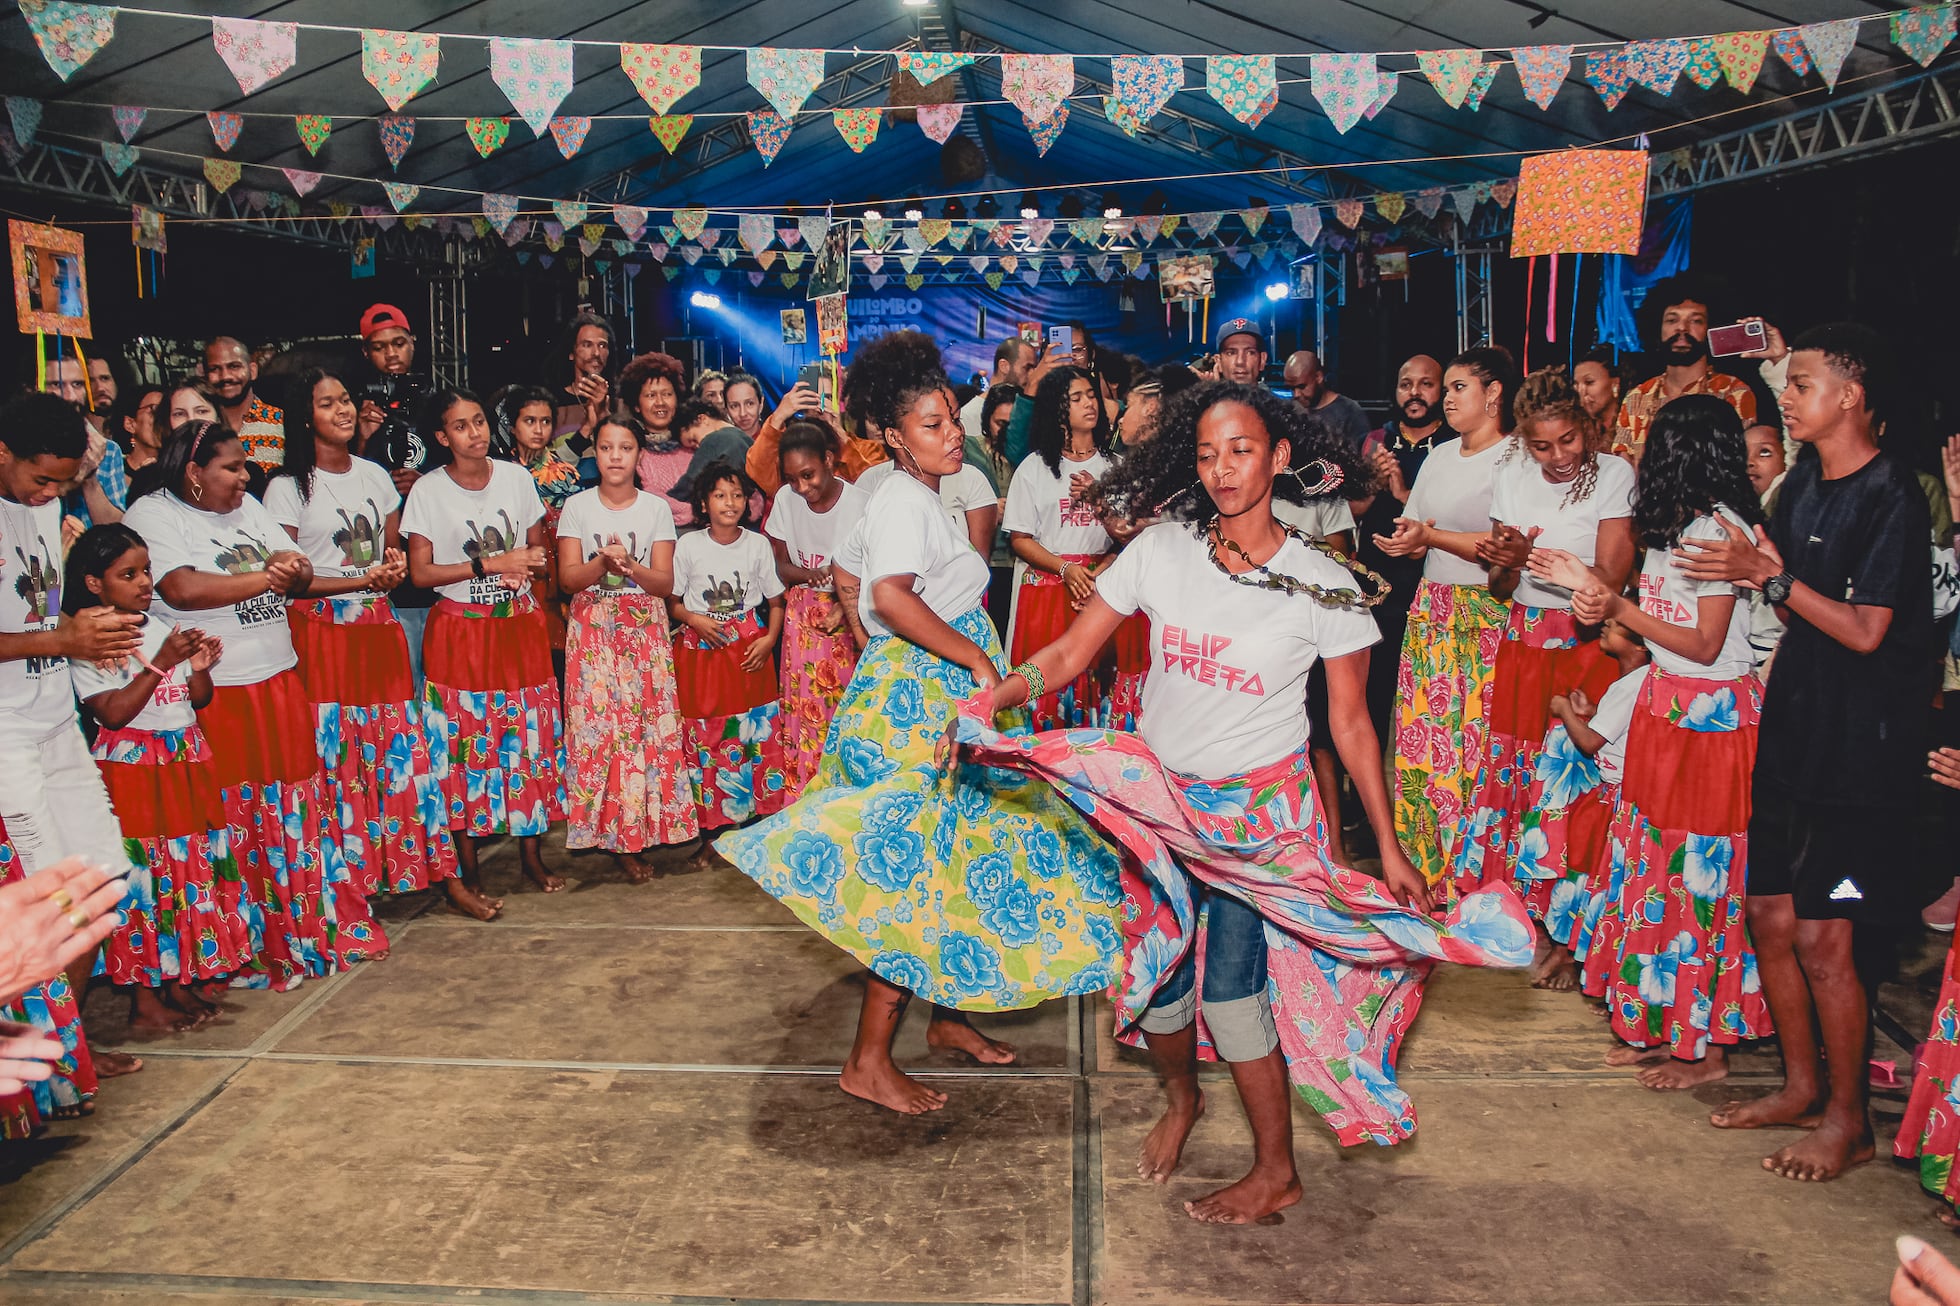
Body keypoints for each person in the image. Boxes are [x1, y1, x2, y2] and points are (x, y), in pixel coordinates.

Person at [959, 380, 1533, 1224]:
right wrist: (993, 699)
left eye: (1241, 450)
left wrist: (1391, 846)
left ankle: (1276, 1169)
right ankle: (1183, 1099)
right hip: (1163, 813)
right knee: (1158, 986)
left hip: (1260, 824)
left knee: (1231, 996)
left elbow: (1351, 728)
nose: (1223, 470)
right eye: (1206, 453)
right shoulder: (1159, 551)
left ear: (1280, 458)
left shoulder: (1323, 584)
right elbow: (1072, 652)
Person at [715, 329, 1125, 1116]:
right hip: (923, 701)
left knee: (955, 858)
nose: (951, 436)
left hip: (923, 688)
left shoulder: (910, 495)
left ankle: (947, 1019)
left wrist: (877, 635)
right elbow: (896, 595)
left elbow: (858, 576)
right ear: (894, 438)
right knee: (910, 872)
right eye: (931, 426)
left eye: (950, 421)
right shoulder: (904, 498)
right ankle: (868, 1060)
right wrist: (973, 663)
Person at [1676, 324, 1932, 1182]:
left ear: (1850, 395)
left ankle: (1848, 1122)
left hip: (1862, 756)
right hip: (1794, 732)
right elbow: (1793, 611)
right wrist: (1765, 574)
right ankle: (1797, 1085)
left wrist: (1769, 577)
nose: (1787, 395)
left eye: (1804, 382)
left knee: (1828, 939)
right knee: (1772, 919)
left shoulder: (1892, 494)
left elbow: (1865, 631)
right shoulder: (1798, 489)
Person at [1535, 395, 1773, 1086]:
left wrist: (1615, 605)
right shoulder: (1676, 528)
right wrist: (1597, 599)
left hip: (1711, 718)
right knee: (1652, 869)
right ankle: (1667, 1027)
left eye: (1658, 446)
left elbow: (1702, 645)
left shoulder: (1720, 532)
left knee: (1703, 878)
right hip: (1667, 708)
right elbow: (1659, 622)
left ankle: (1710, 1049)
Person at [124, 418, 387, 989]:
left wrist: (296, 572)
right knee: (232, 818)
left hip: (277, 679)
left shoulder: (249, 509)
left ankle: (302, 930)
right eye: (231, 467)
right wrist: (269, 578)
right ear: (194, 472)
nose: (245, 476)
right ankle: (245, 945)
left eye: (245, 465)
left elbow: (299, 570)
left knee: (291, 812)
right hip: (219, 691)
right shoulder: (154, 513)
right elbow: (181, 589)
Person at [264, 370, 494, 921]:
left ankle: (438, 877)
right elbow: (288, 580)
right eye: (327, 403)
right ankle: (348, 892)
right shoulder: (286, 486)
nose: (343, 410)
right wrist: (362, 581)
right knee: (337, 762)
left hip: (377, 627)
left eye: (345, 399)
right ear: (305, 416)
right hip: (319, 632)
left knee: (400, 758)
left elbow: (391, 555)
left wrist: (387, 572)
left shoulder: (374, 476)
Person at [1451, 367, 1635, 990]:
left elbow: (1610, 576)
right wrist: (1504, 563)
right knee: (1515, 775)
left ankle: (1574, 931)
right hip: (1525, 638)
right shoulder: (1512, 476)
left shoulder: (1614, 475)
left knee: (1575, 783)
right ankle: (1519, 912)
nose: (1557, 456)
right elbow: (1502, 586)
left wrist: (1556, 565)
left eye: (1568, 441)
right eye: (1541, 445)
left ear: (1587, 426)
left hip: (1585, 642)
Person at [0, 393, 145, 1080]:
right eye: (41, 478)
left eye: (62, 480)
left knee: (101, 882)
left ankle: (68, 1043)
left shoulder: (45, 507)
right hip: (6, 734)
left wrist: (88, 631)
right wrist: (62, 636)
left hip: (55, 717)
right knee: (42, 901)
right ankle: (36, 1068)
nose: (52, 492)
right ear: (4, 453)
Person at [64, 524, 252, 1031]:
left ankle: (179, 980)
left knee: (184, 872)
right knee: (146, 879)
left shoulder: (159, 623)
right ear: (95, 583)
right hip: (134, 769)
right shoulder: (91, 637)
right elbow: (114, 713)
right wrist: (161, 664)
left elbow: (197, 700)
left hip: (184, 757)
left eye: (146, 569)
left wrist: (198, 667)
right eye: (129, 574)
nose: (145, 581)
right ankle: (143, 1000)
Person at [402, 387, 568, 897]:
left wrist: (529, 566)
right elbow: (420, 573)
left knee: (528, 740)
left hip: (518, 623)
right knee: (462, 745)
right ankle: (468, 869)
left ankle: (531, 859)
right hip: (460, 630)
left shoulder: (517, 477)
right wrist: (490, 565)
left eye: (478, 421)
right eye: (460, 426)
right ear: (441, 436)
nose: (474, 433)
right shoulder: (428, 490)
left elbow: (538, 547)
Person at [1372, 348, 1519, 884]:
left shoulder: (1516, 458)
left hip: (1487, 613)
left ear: (1494, 394)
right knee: (1423, 743)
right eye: (1449, 388)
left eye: (1458, 387)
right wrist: (1408, 540)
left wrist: (1431, 536)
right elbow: (1420, 527)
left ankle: (1478, 873)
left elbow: (1506, 545)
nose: (1448, 398)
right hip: (1432, 607)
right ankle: (1426, 870)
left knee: (1477, 745)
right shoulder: (1439, 456)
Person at [556, 415, 694, 882]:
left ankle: (638, 831)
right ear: (595, 452)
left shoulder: (655, 508)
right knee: (599, 731)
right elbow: (567, 579)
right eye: (607, 447)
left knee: (642, 733)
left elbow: (664, 582)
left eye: (626, 447)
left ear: (640, 456)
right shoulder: (577, 506)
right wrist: (602, 562)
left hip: (643, 631)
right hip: (594, 631)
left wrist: (629, 565)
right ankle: (609, 833)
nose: (616, 456)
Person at [668, 461, 786, 829]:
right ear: (704, 503)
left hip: (748, 653)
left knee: (753, 733)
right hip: (702, 655)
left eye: (737, 495)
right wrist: (695, 619)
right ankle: (711, 832)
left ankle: (756, 823)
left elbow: (777, 602)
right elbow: (672, 603)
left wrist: (769, 641)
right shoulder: (688, 545)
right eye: (720, 495)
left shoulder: (757, 545)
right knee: (708, 735)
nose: (729, 503)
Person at [1004, 366, 1117, 730]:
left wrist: (1102, 570)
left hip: (1102, 589)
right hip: (1049, 593)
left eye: (1091, 396)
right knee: (1047, 691)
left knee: (1099, 692)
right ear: (1057, 409)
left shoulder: (1116, 467)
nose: (1089, 404)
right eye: (1077, 398)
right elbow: (1019, 539)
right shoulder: (1034, 469)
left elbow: (1131, 537)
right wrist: (1065, 568)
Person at [766, 423, 869, 800]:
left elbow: (876, 571)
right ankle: (804, 796)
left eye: (807, 475)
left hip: (850, 616)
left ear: (828, 460)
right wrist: (810, 575)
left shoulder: (860, 504)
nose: (801, 487)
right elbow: (778, 564)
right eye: (792, 479)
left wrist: (845, 606)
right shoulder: (785, 500)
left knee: (845, 708)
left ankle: (846, 796)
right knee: (804, 711)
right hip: (802, 616)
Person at [1351, 353, 1446, 744]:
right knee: (1372, 693)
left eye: (1426, 384)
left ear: (1440, 391)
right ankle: (1360, 797)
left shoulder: (1452, 445)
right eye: (1406, 384)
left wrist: (1405, 495)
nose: (1415, 393)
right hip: (1376, 587)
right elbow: (1349, 513)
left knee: (1426, 694)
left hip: (1428, 584)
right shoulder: (1375, 440)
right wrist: (1372, 484)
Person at [491, 383, 583, 685]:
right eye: (530, 421)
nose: (539, 429)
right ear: (513, 426)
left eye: (545, 422)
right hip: (509, 573)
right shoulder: (495, 473)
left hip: (553, 577)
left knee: (549, 660)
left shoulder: (567, 474)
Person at [1613, 278, 1758, 462]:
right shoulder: (1637, 397)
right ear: (1657, 329)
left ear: (1711, 329)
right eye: (1672, 320)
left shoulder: (1734, 393)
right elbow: (1623, 468)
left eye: (1696, 321)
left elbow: (1738, 463)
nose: (1682, 327)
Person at [620, 352, 694, 526]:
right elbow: (651, 500)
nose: (660, 402)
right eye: (651, 395)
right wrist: (698, 513)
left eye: (667, 394)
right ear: (637, 405)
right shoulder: (635, 453)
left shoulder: (693, 446)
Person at [204, 337, 285, 468]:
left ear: (253, 371)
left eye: (234, 366)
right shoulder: (201, 425)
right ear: (205, 375)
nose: (225, 376)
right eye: (215, 369)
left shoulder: (281, 422)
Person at [548, 311, 616, 461]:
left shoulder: (622, 402)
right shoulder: (553, 404)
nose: (596, 353)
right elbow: (548, 471)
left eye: (602, 345)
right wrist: (586, 429)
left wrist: (605, 416)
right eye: (587, 345)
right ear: (571, 353)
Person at [670, 398, 756, 508]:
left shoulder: (712, 440)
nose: (698, 446)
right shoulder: (747, 440)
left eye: (693, 440)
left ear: (702, 419)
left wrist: (666, 501)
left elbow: (691, 482)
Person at [1283, 350, 1372, 451]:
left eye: (1302, 386)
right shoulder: (1290, 411)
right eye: (1291, 388)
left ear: (1318, 377)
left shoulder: (1350, 412)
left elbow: (1369, 454)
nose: (1296, 394)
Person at [959, 336, 1037, 439]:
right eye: (1027, 368)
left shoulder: (1025, 409)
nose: (1033, 374)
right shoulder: (969, 415)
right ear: (1003, 366)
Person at [1572, 346, 1625, 438]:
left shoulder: (1634, 427)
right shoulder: (1578, 429)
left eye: (1589, 382)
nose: (1581, 391)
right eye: (1576, 384)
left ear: (1615, 384)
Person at [116, 382, 166, 477]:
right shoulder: (113, 470)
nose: (162, 418)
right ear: (130, 424)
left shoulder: (177, 473)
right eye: (155, 410)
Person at [1214, 318, 1267, 387]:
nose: (1240, 362)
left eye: (1250, 352)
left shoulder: (1276, 398)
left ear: (1262, 360)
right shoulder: (1206, 396)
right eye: (1231, 353)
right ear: (1218, 361)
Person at [722, 371, 766, 440]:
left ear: (761, 404)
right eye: (734, 406)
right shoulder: (721, 445)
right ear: (726, 409)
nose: (742, 414)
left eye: (750, 404)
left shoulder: (777, 441)